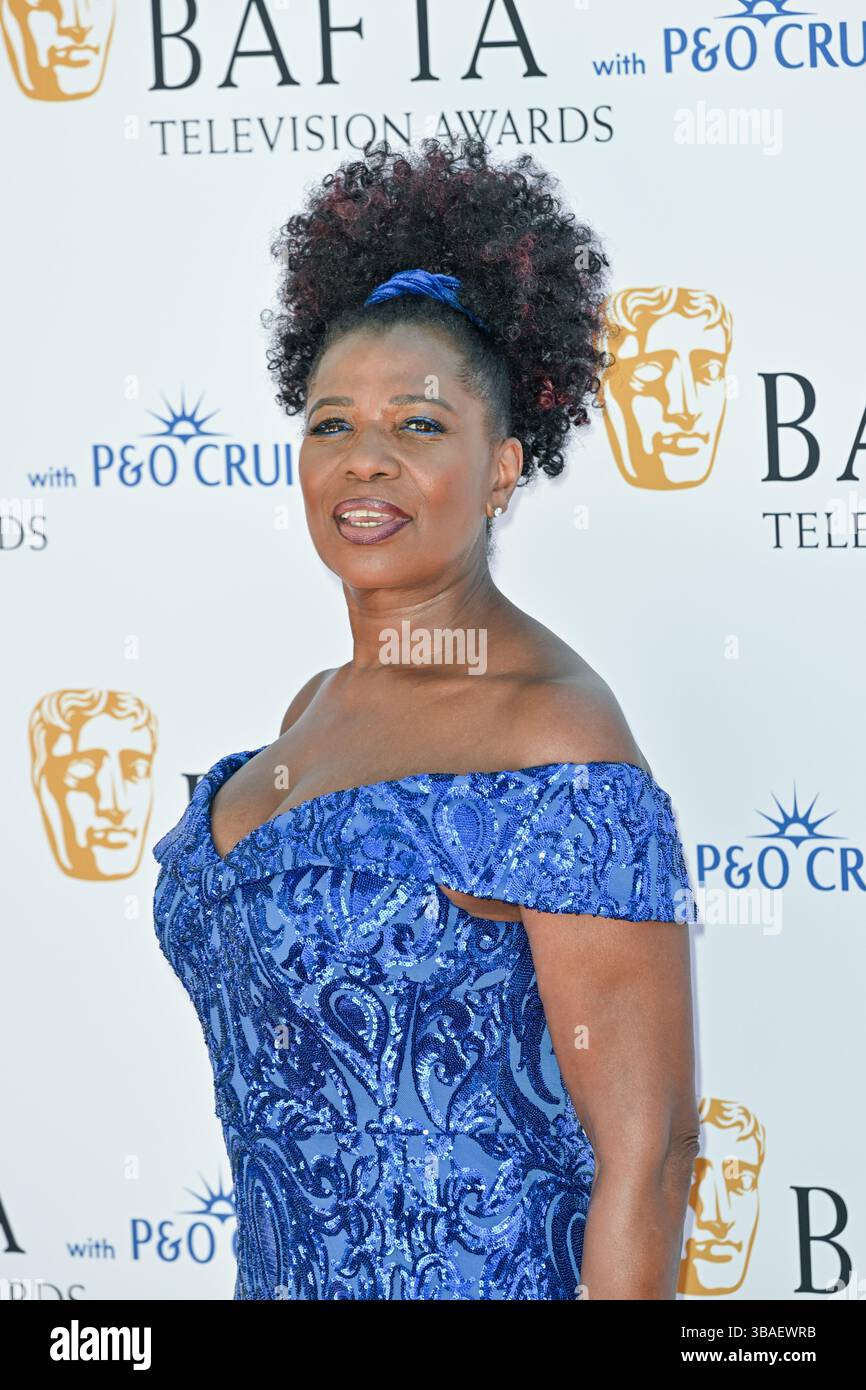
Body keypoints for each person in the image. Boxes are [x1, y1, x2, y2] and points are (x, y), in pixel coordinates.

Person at [152, 136, 700, 1301]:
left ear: (502, 468)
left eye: (417, 426)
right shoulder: (313, 709)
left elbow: (647, 1162)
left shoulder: (550, 734)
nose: (364, 464)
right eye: (330, 423)